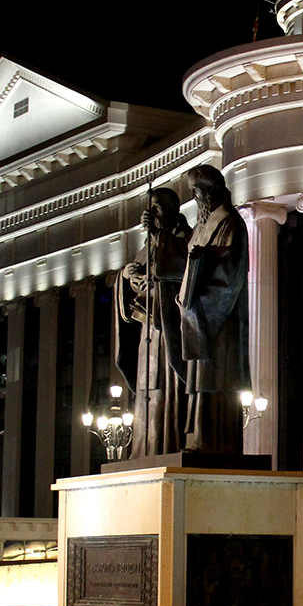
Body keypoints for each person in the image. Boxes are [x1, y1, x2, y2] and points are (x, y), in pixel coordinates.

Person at [176, 165, 250, 454]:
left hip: (219, 321)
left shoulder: (230, 223)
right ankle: (198, 437)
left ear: (207, 193)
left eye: (195, 192)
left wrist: (197, 303)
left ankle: (213, 440)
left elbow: (229, 277)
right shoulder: (202, 226)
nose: (194, 198)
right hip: (198, 317)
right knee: (200, 380)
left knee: (216, 380)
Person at [114, 187, 190, 457]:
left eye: (156, 209)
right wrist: (126, 276)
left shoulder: (184, 240)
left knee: (168, 389)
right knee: (147, 390)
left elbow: (183, 278)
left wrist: (155, 283)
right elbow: (136, 283)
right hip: (148, 330)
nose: (149, 215)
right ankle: (145, 448)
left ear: (170, 211)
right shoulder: (149, 244)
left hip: (169, 329)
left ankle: (168, 443)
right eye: (148, 210)